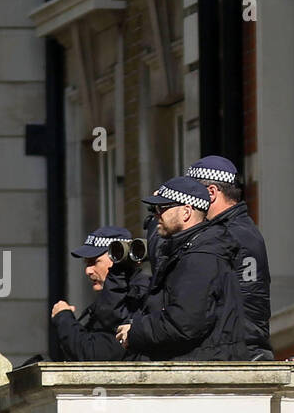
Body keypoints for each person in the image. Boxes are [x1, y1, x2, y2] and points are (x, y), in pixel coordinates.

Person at [115, 177, 251, 361]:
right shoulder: (189, 251)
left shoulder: (201, 256)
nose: (156, 215)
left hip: (203, 375)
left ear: (186, 212)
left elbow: (185, 323)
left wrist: (136, 331)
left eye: (162, 208)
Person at [185, 155, 272, 359]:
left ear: (211, 192)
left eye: (190, 194)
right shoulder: (242, 230)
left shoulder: (224, 236)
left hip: (233, 352)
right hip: (243, 347)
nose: (186, 203)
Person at [51, 226, 150, 361]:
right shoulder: (114, 296)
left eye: (94, 261)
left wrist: (64, 319)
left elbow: (94, 353)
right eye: (86, 263)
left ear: (118, 255)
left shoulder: (137, 297)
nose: (88, 271)